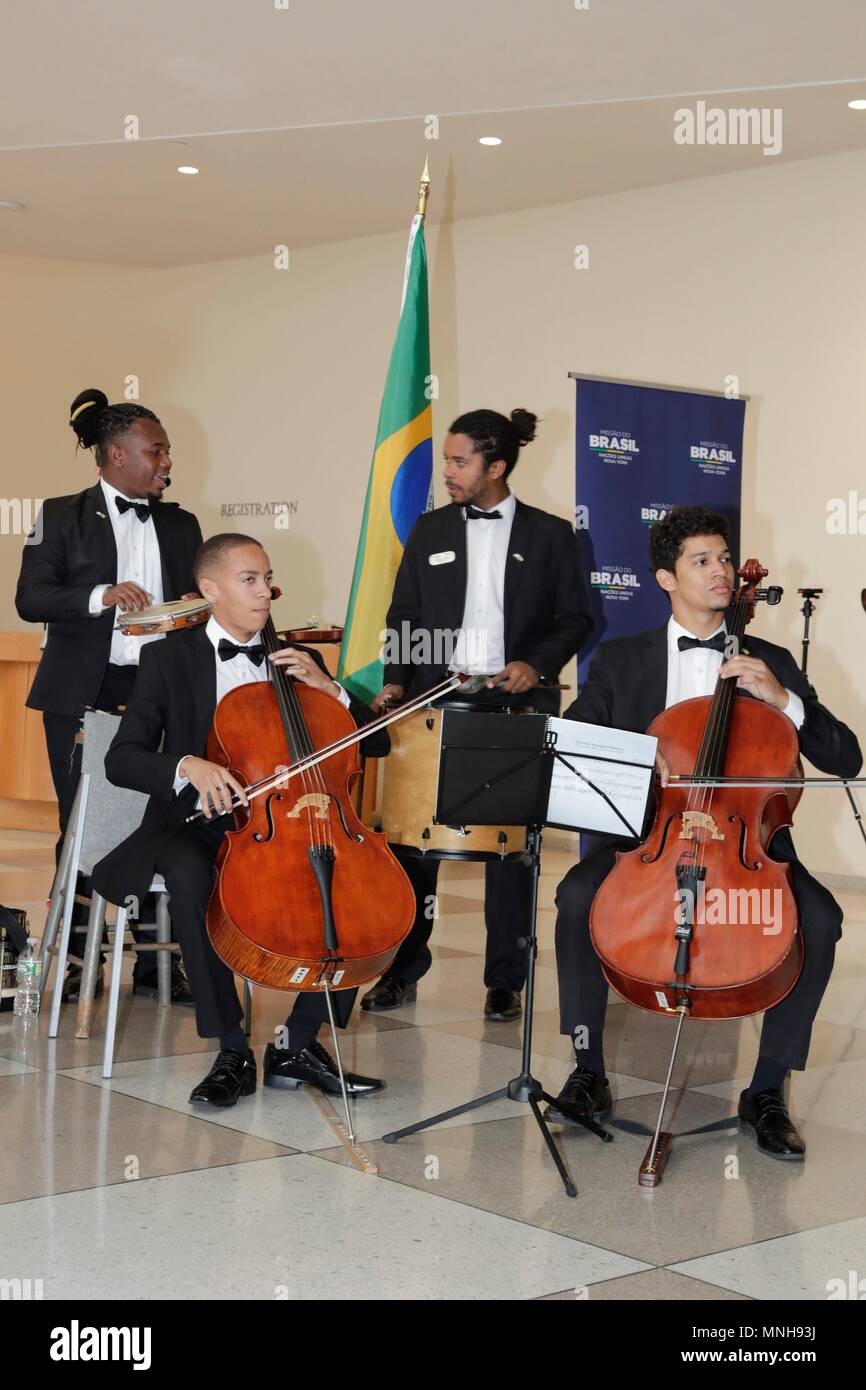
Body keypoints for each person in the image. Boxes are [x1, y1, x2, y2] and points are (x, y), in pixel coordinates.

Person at [549, 505, 862, 1161]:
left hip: (748, 849)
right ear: (665, 577)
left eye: (724, 558)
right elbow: (572, 743)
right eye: (702, 561)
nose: (720, 571)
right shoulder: (620, 660)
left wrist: (785, 702)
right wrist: (638, 757)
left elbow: (846, 757)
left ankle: (768, 1089)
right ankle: (587, 1074)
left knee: (823, 919)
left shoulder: (768, 658)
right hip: (649, 844)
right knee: (576, 897)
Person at [92, 533, 391, 1108]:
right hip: (197, 821)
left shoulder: (302, 662)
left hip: (296, 821)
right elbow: (121, 759)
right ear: (209, 589)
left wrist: (330, 690)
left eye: (267, 578)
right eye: (248, 580)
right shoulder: (167, 659)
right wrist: (188, 765)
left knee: (368, 889)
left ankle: (297, 1044)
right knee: (187, 875)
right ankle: (231, 1046)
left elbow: (373, 748)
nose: (264, 593)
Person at [362, 408, 593, 1021]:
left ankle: (505, 980)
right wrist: (393, 683)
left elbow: (577, 617)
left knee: (510, 850)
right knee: (413, 847)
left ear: (496, 466)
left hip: (514, 707)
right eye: (447, 459)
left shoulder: (551, 535)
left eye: (459, 460)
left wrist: (534, 665)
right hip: (432, 702)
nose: (448, 471)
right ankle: (402, 970)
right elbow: (403, 615)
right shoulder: (430, 530)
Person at [15, 388, 203, 1002]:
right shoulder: (59, 514)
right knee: (82, 824)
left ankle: (154, 964)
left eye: (167, 451)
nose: (167, 463)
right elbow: (31, 598)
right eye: (157, 452)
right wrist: (102, 596)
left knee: (160, 813)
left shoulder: (182, 524)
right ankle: (74, 960)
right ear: (117, 455)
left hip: (160, 693)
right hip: (84, 691)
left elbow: (195, 605)